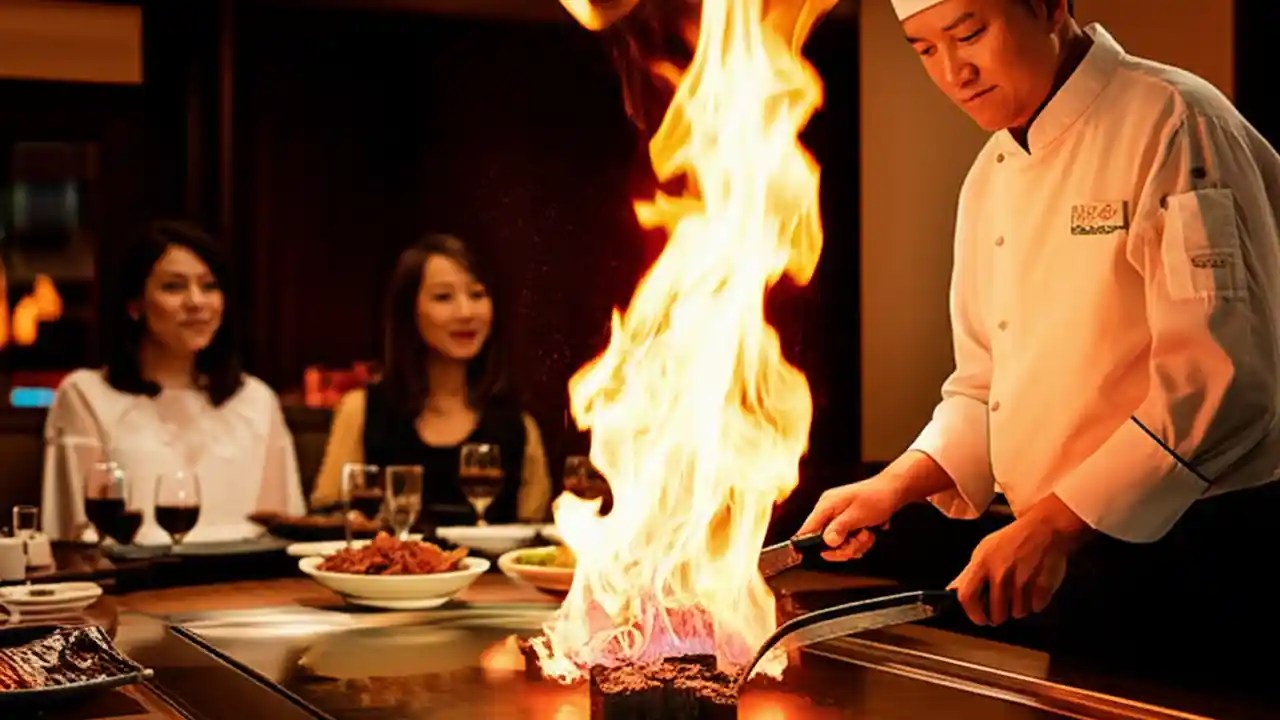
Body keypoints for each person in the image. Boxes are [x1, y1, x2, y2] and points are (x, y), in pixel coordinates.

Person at [800, 0, 1280, 697]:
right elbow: (982, 387)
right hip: (1076, 563)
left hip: (1206, 559)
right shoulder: (991, 175)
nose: (954, 71)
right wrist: (894, 485)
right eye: (924, 49)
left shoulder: (1174, 121)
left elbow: (1222, 383)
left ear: (1052, 6)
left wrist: (1055, 523)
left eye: (969, 33)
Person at [42, 219, 307, 546]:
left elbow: (281, 530)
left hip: (248, 585)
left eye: (210, 286)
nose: (196, 302)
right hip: (134, 587)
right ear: (134, 304)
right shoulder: (86, 395)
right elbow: (81, 535)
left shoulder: (255, 399)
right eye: (174, 287)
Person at [310, 233, 552, 525]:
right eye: (443, 297)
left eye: (477, 295)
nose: (466, 312)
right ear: (409, 311)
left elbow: (533, 541)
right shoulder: (362, 410)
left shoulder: (517, 425)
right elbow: (327, 517)